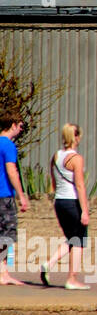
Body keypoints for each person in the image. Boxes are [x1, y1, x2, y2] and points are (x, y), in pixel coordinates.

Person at [41, 123, 91, 290]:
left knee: (71, 237)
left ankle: (49, 263)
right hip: (72, 202)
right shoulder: (76, 158)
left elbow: (53, 183)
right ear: (76, 137)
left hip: (60, 202)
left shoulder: (56, 157)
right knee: (78, 241)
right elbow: (80, 186)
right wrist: (84, 210)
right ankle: (72, 279)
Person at [0, 115, 29, 286]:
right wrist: (22, 195)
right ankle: (3, 273)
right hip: (4, 196)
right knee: (7, 235)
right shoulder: (8, 145)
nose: (21, 130)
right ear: (12, 125)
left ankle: (3, 272)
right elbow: (12, 171)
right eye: (20, 126)